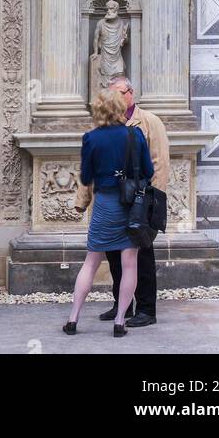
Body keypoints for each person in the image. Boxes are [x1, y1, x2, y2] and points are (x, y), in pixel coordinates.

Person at [78, 76, 170, 328]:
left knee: (142, 256)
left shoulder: (149, 121)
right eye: (112, 93)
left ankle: (147, 309)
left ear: (131, 92)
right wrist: (83, 200)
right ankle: (123, 305)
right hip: (111, 201)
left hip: (139, 201)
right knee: (115, 256)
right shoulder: (105, 126)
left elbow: (159, 163)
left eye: (120, 92)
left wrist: (153, 201)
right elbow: (91, 171)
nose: (117, 97)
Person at [63, 88, 153, 339]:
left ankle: (73, 318)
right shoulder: (135, 134)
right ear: (120, 108)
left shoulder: (91, 138)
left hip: (104, 203)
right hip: (131, 205)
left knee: (91, 262)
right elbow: (147, 170)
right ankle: (120, 321)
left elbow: (87, 176)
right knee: (129, 263)